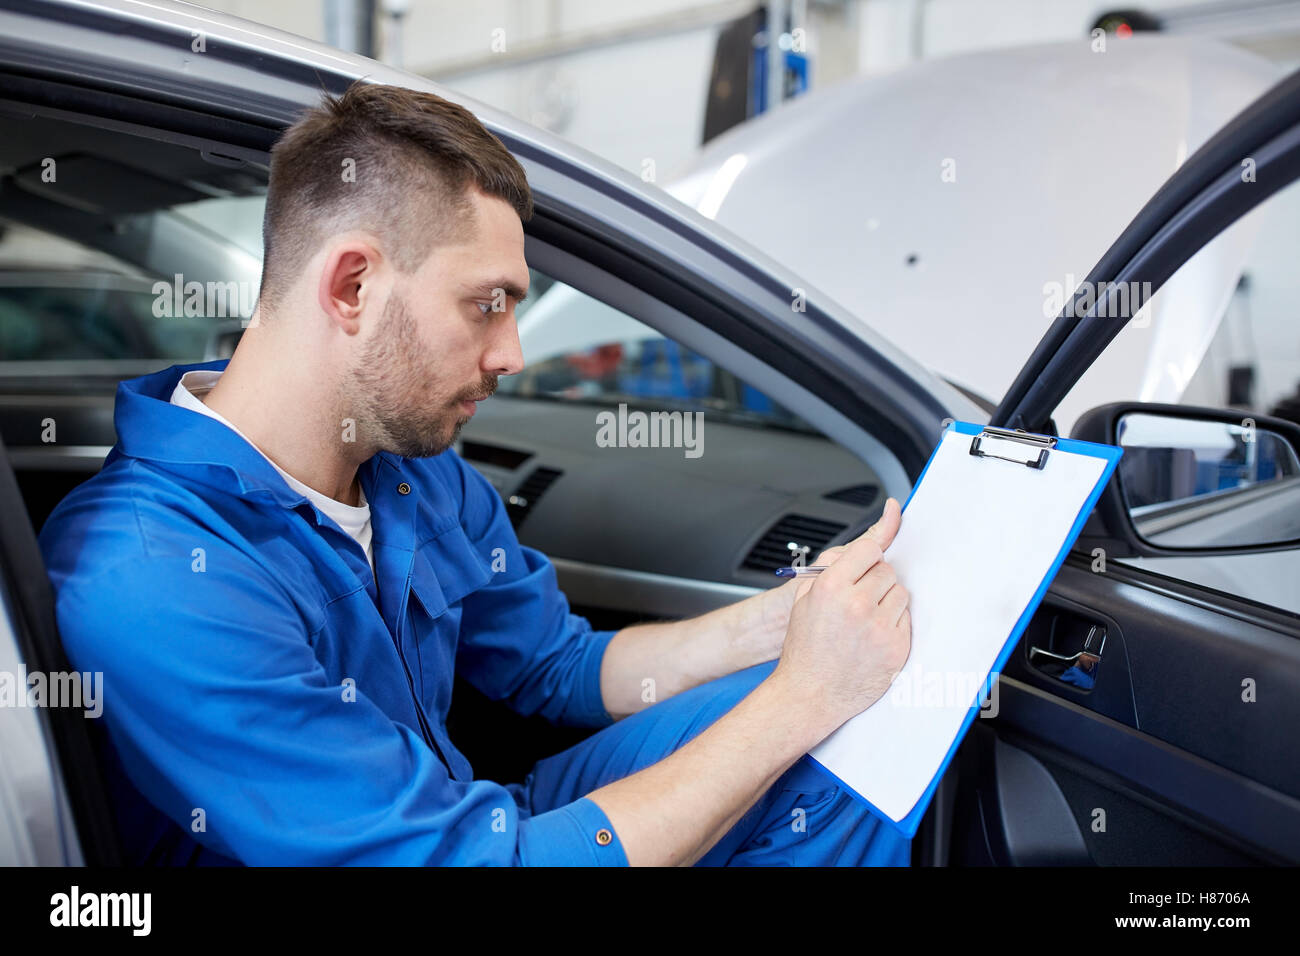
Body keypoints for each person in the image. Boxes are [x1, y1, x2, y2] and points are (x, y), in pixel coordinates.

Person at [38, 81, 913, 866]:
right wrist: (804, 695)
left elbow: (556, 668)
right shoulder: (152, 572)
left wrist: (786, 628)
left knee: (848, 726)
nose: (513, 354)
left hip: (466, 828)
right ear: (351, 287)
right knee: (803, 715)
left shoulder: (413, 474)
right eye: (486, 305)